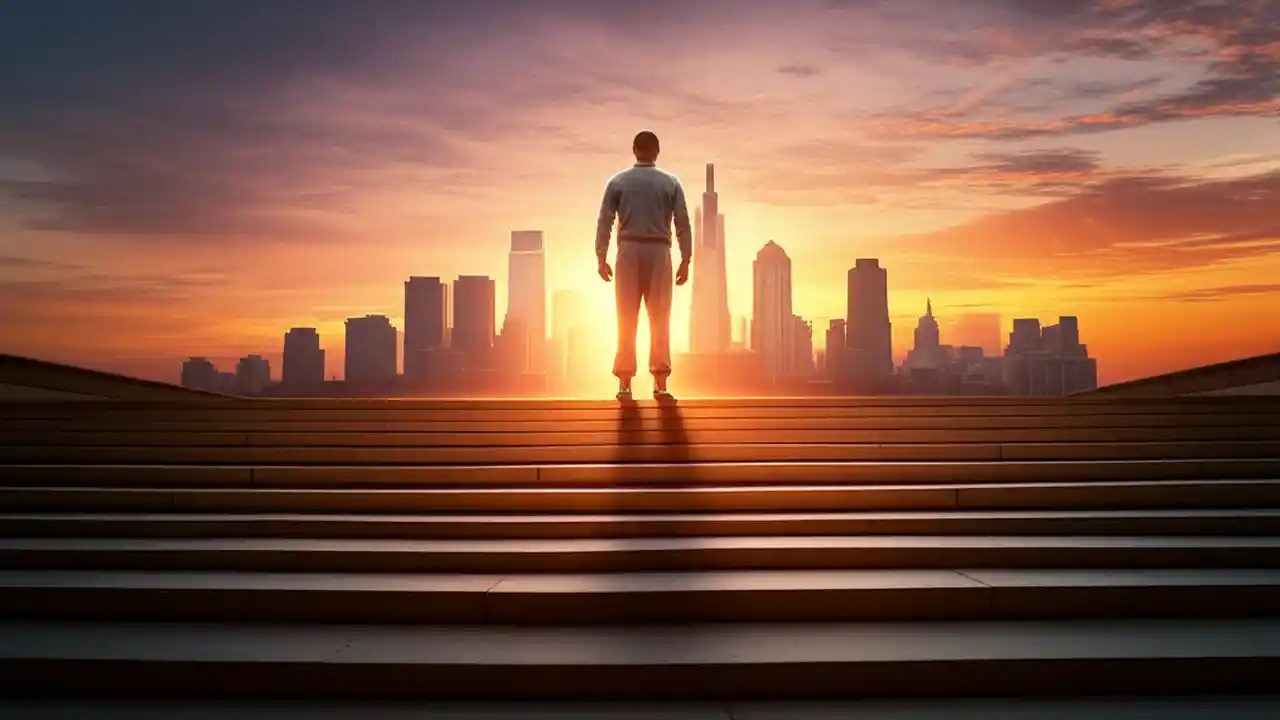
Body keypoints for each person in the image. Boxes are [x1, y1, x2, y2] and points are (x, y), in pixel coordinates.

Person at [596, 130, 692, 402]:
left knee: (626, 315)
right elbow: (682, 223)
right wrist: (686, 259)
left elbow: (604, 220)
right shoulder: (670, 183)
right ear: (657, 151)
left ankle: (625, 382)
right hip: (660, 251)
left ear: (634, 149)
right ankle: (660, 383)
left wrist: (600, 256)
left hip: (628, 251)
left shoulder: (618, 181)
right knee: (660, 316)